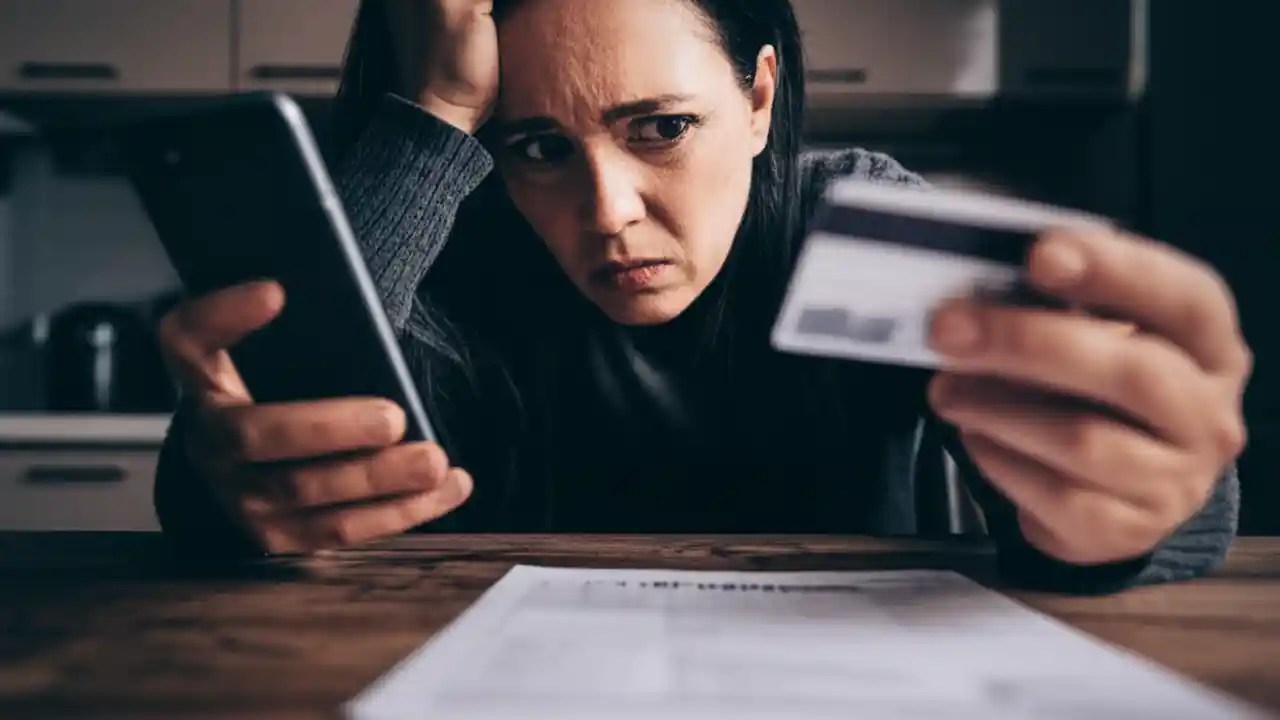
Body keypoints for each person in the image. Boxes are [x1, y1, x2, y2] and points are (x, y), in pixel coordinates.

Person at [152, 0, 1251, 593]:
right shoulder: (453, 261)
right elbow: (239, 477)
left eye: (662, 128)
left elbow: (1158, 520)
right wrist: (432, 114)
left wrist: (1130, 504)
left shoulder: (849, 226)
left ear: (759, 98)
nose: (607, 212)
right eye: (535, 147)